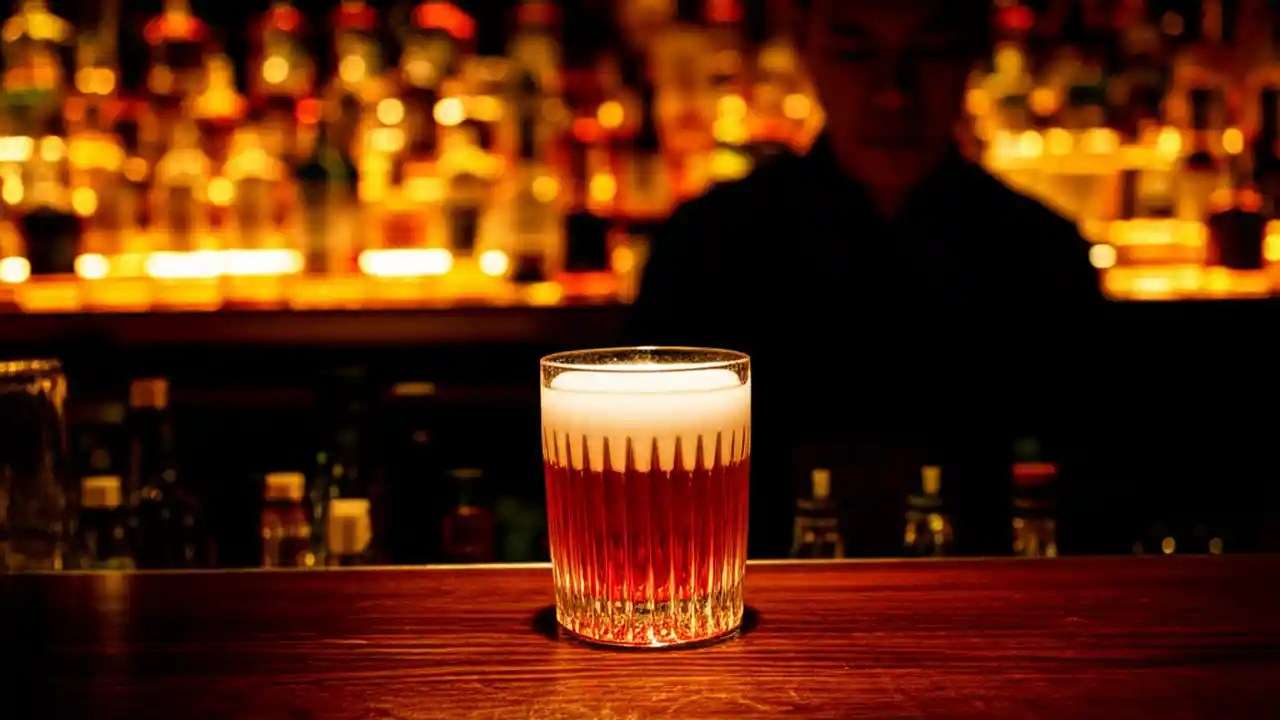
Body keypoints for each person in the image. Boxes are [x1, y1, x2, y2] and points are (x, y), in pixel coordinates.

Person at [626, 0, 1106, 558]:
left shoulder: (1043, 256)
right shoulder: (708, 246)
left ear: (976, 54)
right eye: (856, 51)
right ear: (803, 48)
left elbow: (1097, 502)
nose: (893, 91)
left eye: (928, 52)